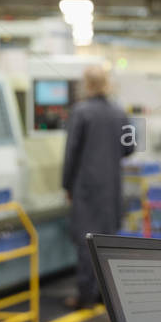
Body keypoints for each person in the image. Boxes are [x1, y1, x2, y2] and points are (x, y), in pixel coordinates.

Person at [61, 64, 132, 309]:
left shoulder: (81, 112)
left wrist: (66, 184)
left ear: (87, 84)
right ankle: (106, 294)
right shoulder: (119, 112)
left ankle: (85, 296)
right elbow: (129, 148)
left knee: (85, 241)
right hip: (112, 186)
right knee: (107, 241)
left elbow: (71, 152)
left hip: (86, 186)